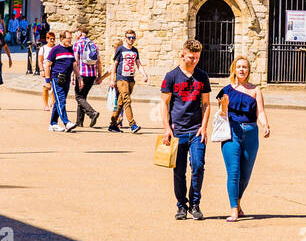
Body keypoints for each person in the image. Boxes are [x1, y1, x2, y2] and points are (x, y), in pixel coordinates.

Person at [160, 39, 212, 220]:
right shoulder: (171, 76)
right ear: (182, 54)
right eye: (191, 57)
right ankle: (181, 205)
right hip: (178, 130)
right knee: (179, 170)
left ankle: (195, 204)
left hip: (197, 130)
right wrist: (167, 128)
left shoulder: (202, 76)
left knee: (198, 166)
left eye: (197, 57)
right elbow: (164, 104)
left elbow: (206, 104)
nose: (194, 61)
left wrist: (204, 127)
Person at [216, 56, 270, 222]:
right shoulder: (226, 90)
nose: (241, 70)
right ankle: (233, 209)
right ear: (234, 69)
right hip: (232, 132)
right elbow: (221, 113)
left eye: (244, 67)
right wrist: (224, 105)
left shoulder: (256, 90)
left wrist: (265, 125)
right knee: (234, 172)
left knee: (245, 175)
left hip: (251, 133)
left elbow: (260, 111)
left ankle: (238, 203)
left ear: (248, 70)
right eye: (239, 67)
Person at [109, 30, 148, 133]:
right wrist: (112, 79)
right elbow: (115, 65)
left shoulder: (135, 50)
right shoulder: (120, 49)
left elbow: (138, 64)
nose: (131, 40)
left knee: (121, 103)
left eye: (133, 38)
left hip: (131, 80)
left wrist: (144, 74)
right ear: (125, 38)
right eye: (129, 37)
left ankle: (112, 125)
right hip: (121, 79)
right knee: (127, 100)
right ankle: (133, 124)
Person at [44, 29, 78, 131]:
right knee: (61, 100)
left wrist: (79, 77)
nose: (70, 41)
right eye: (68, 39)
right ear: (62, 38)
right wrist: (47, 81)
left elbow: (74, 64)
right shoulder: (55, 49)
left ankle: (53, 124)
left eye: (71, 39)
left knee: (58, 101)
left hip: (67, 79)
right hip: (56, 78)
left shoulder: (71, 49)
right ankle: (66, 122)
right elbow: (47, 65)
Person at [71, 27, 103, 127]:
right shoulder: (93, 44)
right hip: (92, 74)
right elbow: (99, 62)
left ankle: (92, 113)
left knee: (78, 96)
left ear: (80, 33)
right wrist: (99, 76)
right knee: (82, 97)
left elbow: (75, 62)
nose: (75, 34)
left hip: (82, 74)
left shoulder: (77, 44)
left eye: (76, 32)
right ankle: (79, 122)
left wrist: (73, 76)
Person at [39, 30, 57, 109]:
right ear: (47, 39)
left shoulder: (56, 48)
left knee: (54, 88)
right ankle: (45, 104)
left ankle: (53, 103)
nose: (52, 40)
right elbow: (40, 60)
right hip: (45, 69)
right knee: (46, 87)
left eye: (53, 39)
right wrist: (41, 70)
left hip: (54, 69)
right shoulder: (43, 48)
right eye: (50, 39)